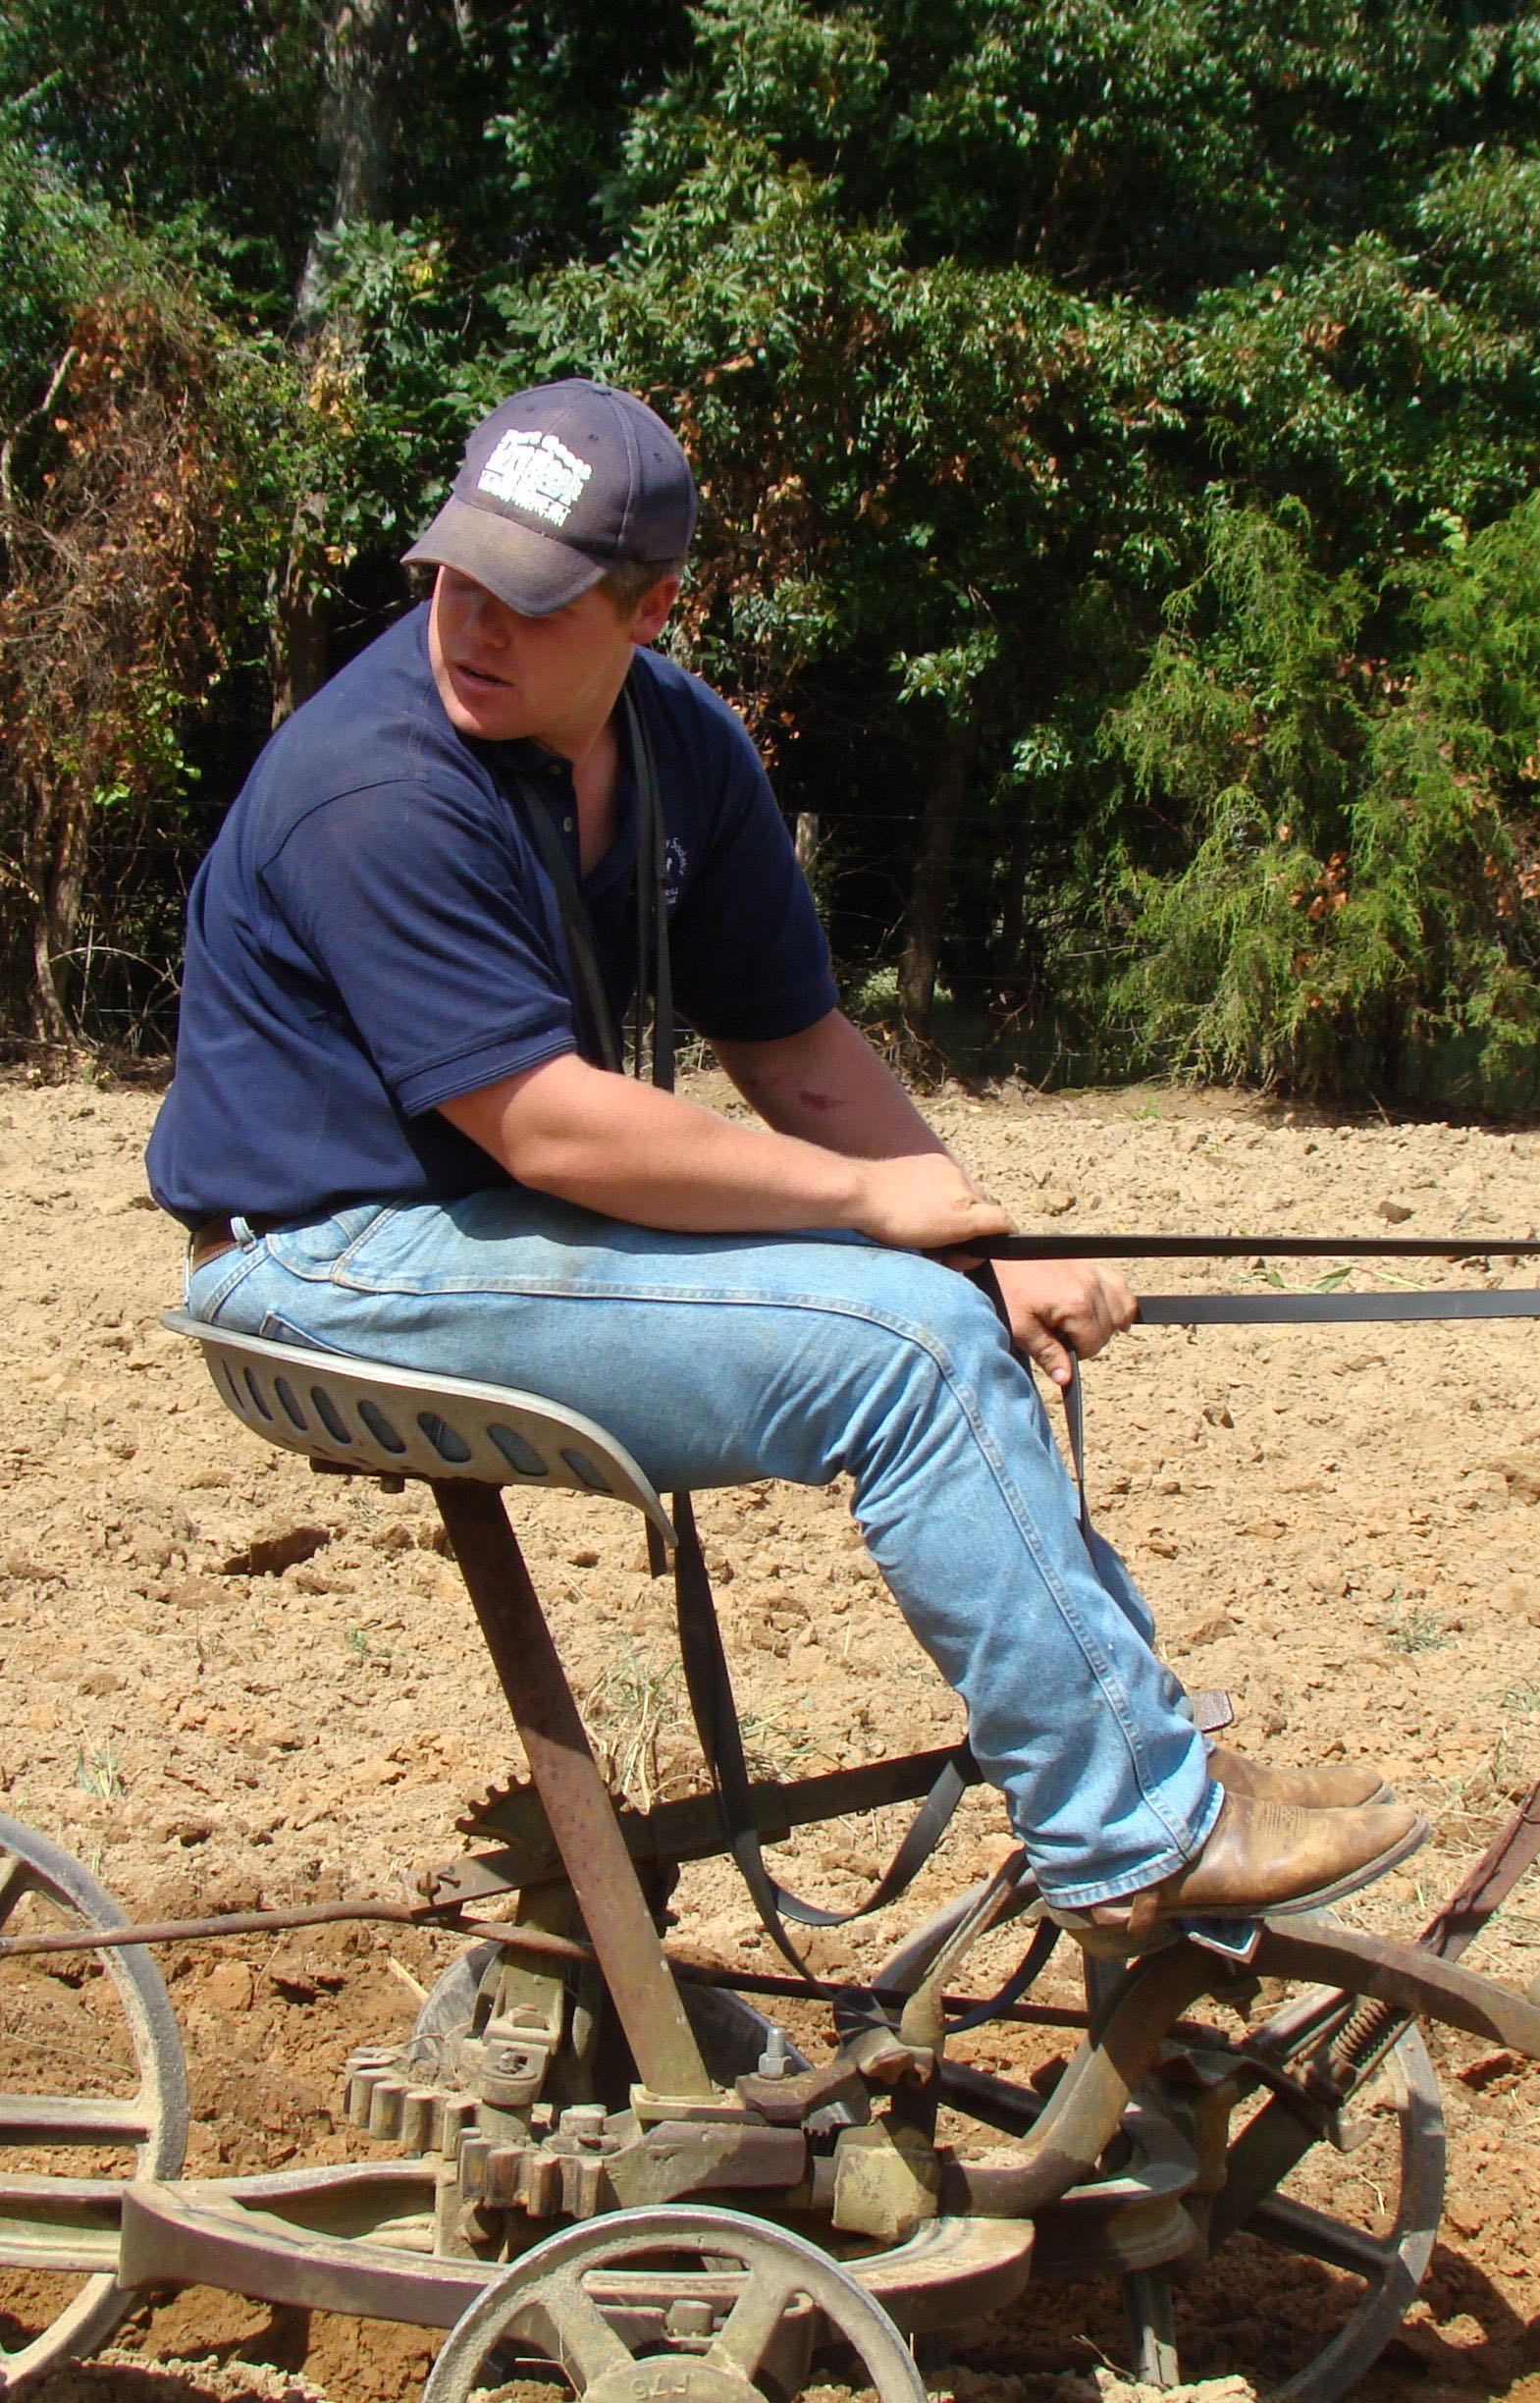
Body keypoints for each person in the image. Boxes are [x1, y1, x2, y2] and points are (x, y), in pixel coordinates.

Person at [147, 378, 1422, 1956]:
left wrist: (977, 1239)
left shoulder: (684, 752)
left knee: (946, 1320)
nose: (471, 627)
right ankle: (1139, 1838)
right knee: (907, 1357)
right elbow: (546, 1124)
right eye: (455, 578)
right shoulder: (379, 785)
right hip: (320, 1262)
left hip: (480, 1235)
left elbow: (803, 1055)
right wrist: (879, 1221)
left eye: (527, 601)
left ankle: (1144, 1769)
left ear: (650, 606)